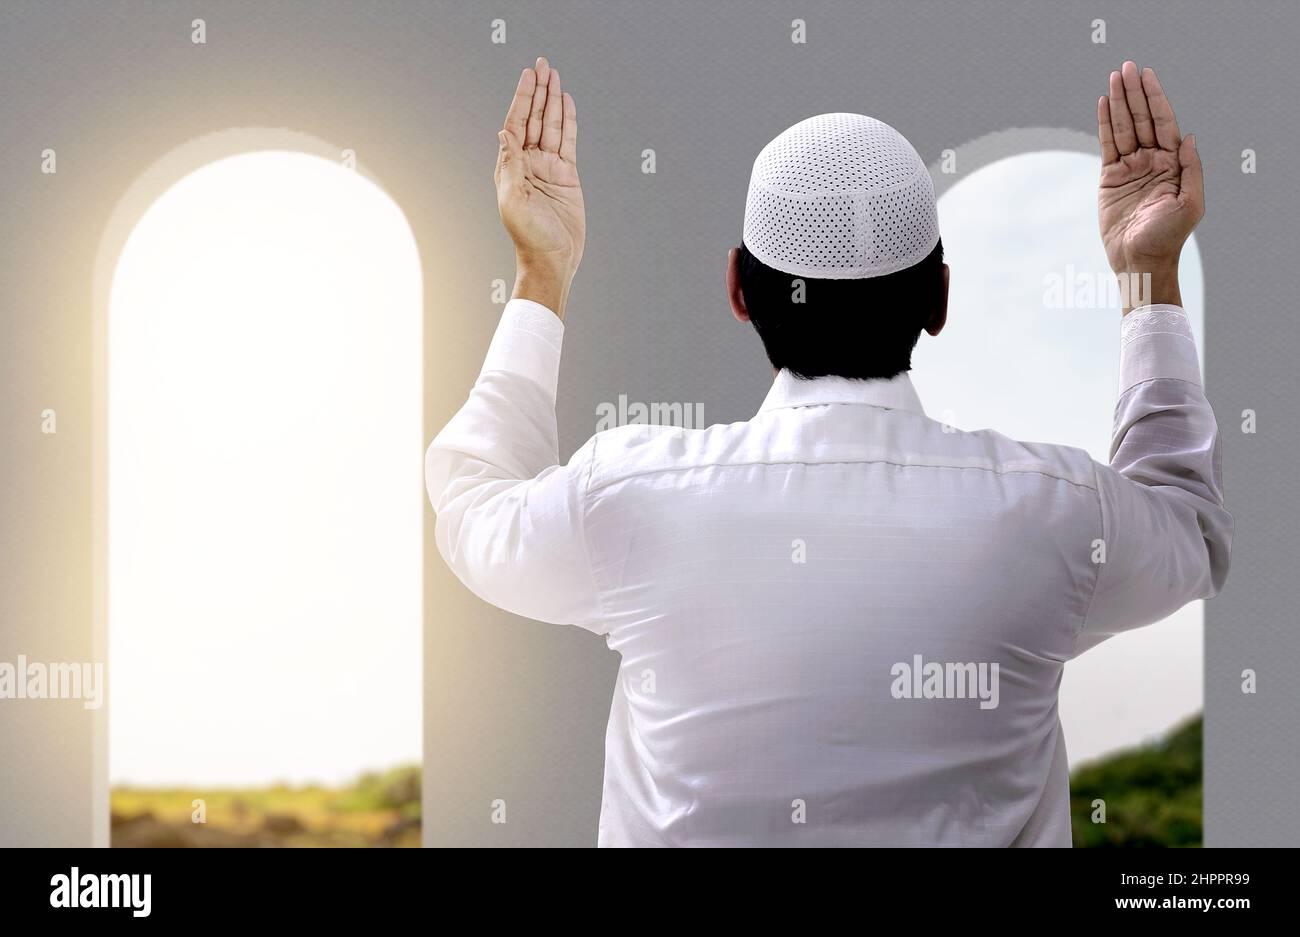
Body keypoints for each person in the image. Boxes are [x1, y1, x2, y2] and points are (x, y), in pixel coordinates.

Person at [425, 57, 1232, 846]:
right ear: (939, 299)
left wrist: (542, 271)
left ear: (739, 291)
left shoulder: (630, 493)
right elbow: (1190, 529)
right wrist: (1146, 275)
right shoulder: (1055, 509)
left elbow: (471, 508)